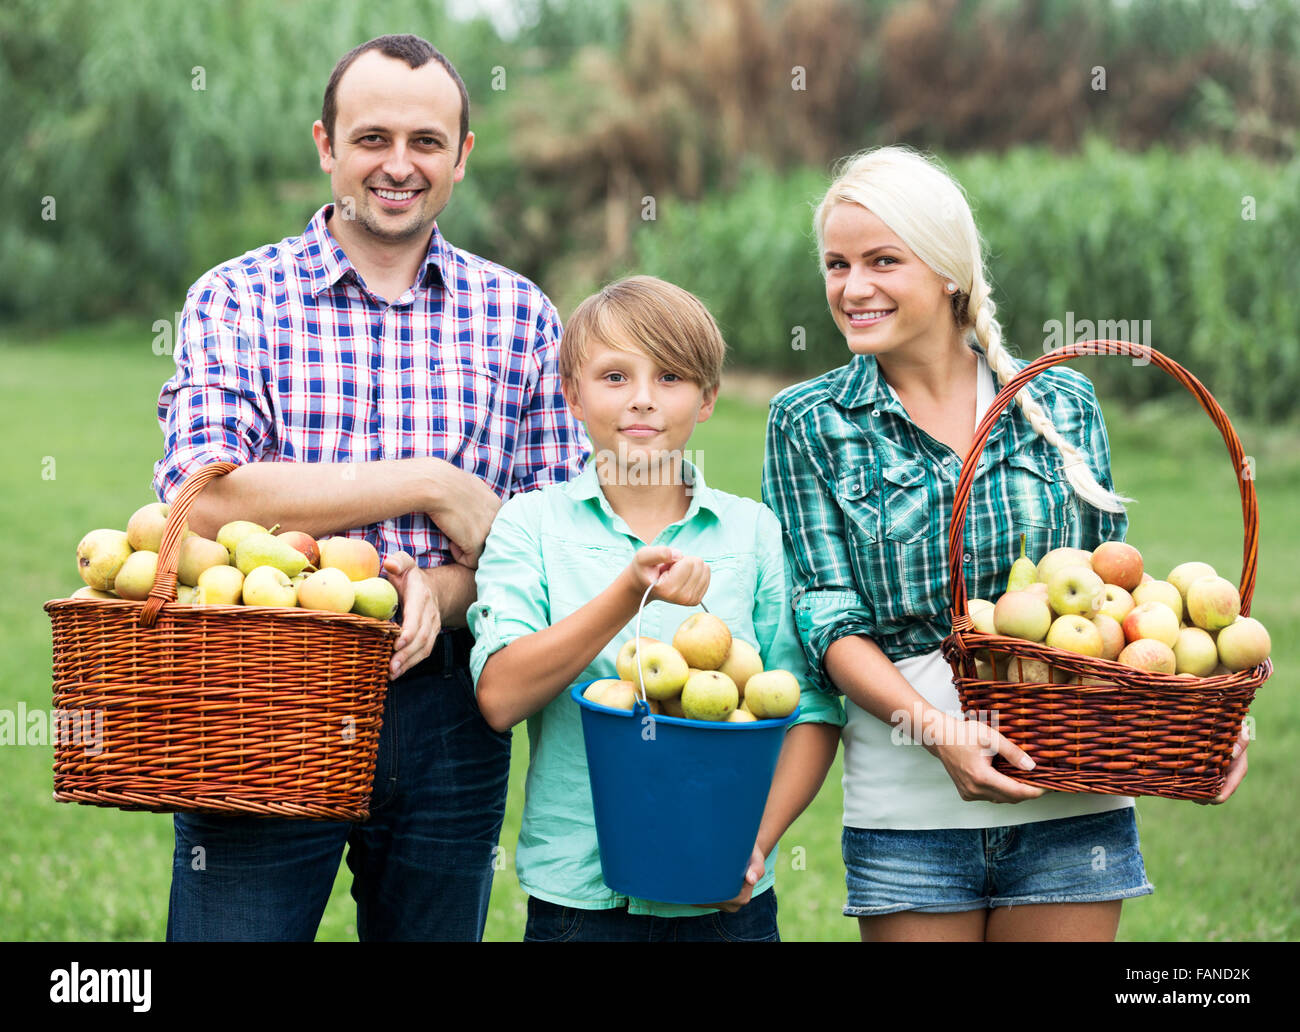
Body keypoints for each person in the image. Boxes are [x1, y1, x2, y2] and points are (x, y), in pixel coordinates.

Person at [152, 34, 587, 941]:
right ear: (326, 145)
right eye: (371, 138)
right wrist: (432, 484)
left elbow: (552, 548)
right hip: (267, 689)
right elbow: (207, 496)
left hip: (449, 711)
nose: (399, 166)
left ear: (462, 157)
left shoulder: (520, 317)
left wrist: (435, 587)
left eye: (427, 142)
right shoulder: (239, 297)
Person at [761, 145, 1250, 943]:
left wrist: (1207, 718)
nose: (853, 289)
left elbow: (1117, 605)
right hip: (908, 804)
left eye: (884, 260)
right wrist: (941, 732)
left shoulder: (1060, 401)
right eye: (836, 264)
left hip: (1075, 793)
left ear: (950, 271)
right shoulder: (809, 423)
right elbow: (827, 619)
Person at [468, 275, 845, 942]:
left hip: (728, 894)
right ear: (572, 395)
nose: (643, 399)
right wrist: (625, 593)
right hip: (580, 900)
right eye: (615, 377)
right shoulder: (529, 524)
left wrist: (752, 849)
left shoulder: (752, 532)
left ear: (707, 399)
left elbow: (809, 711)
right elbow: (501, 696)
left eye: (670, 377)